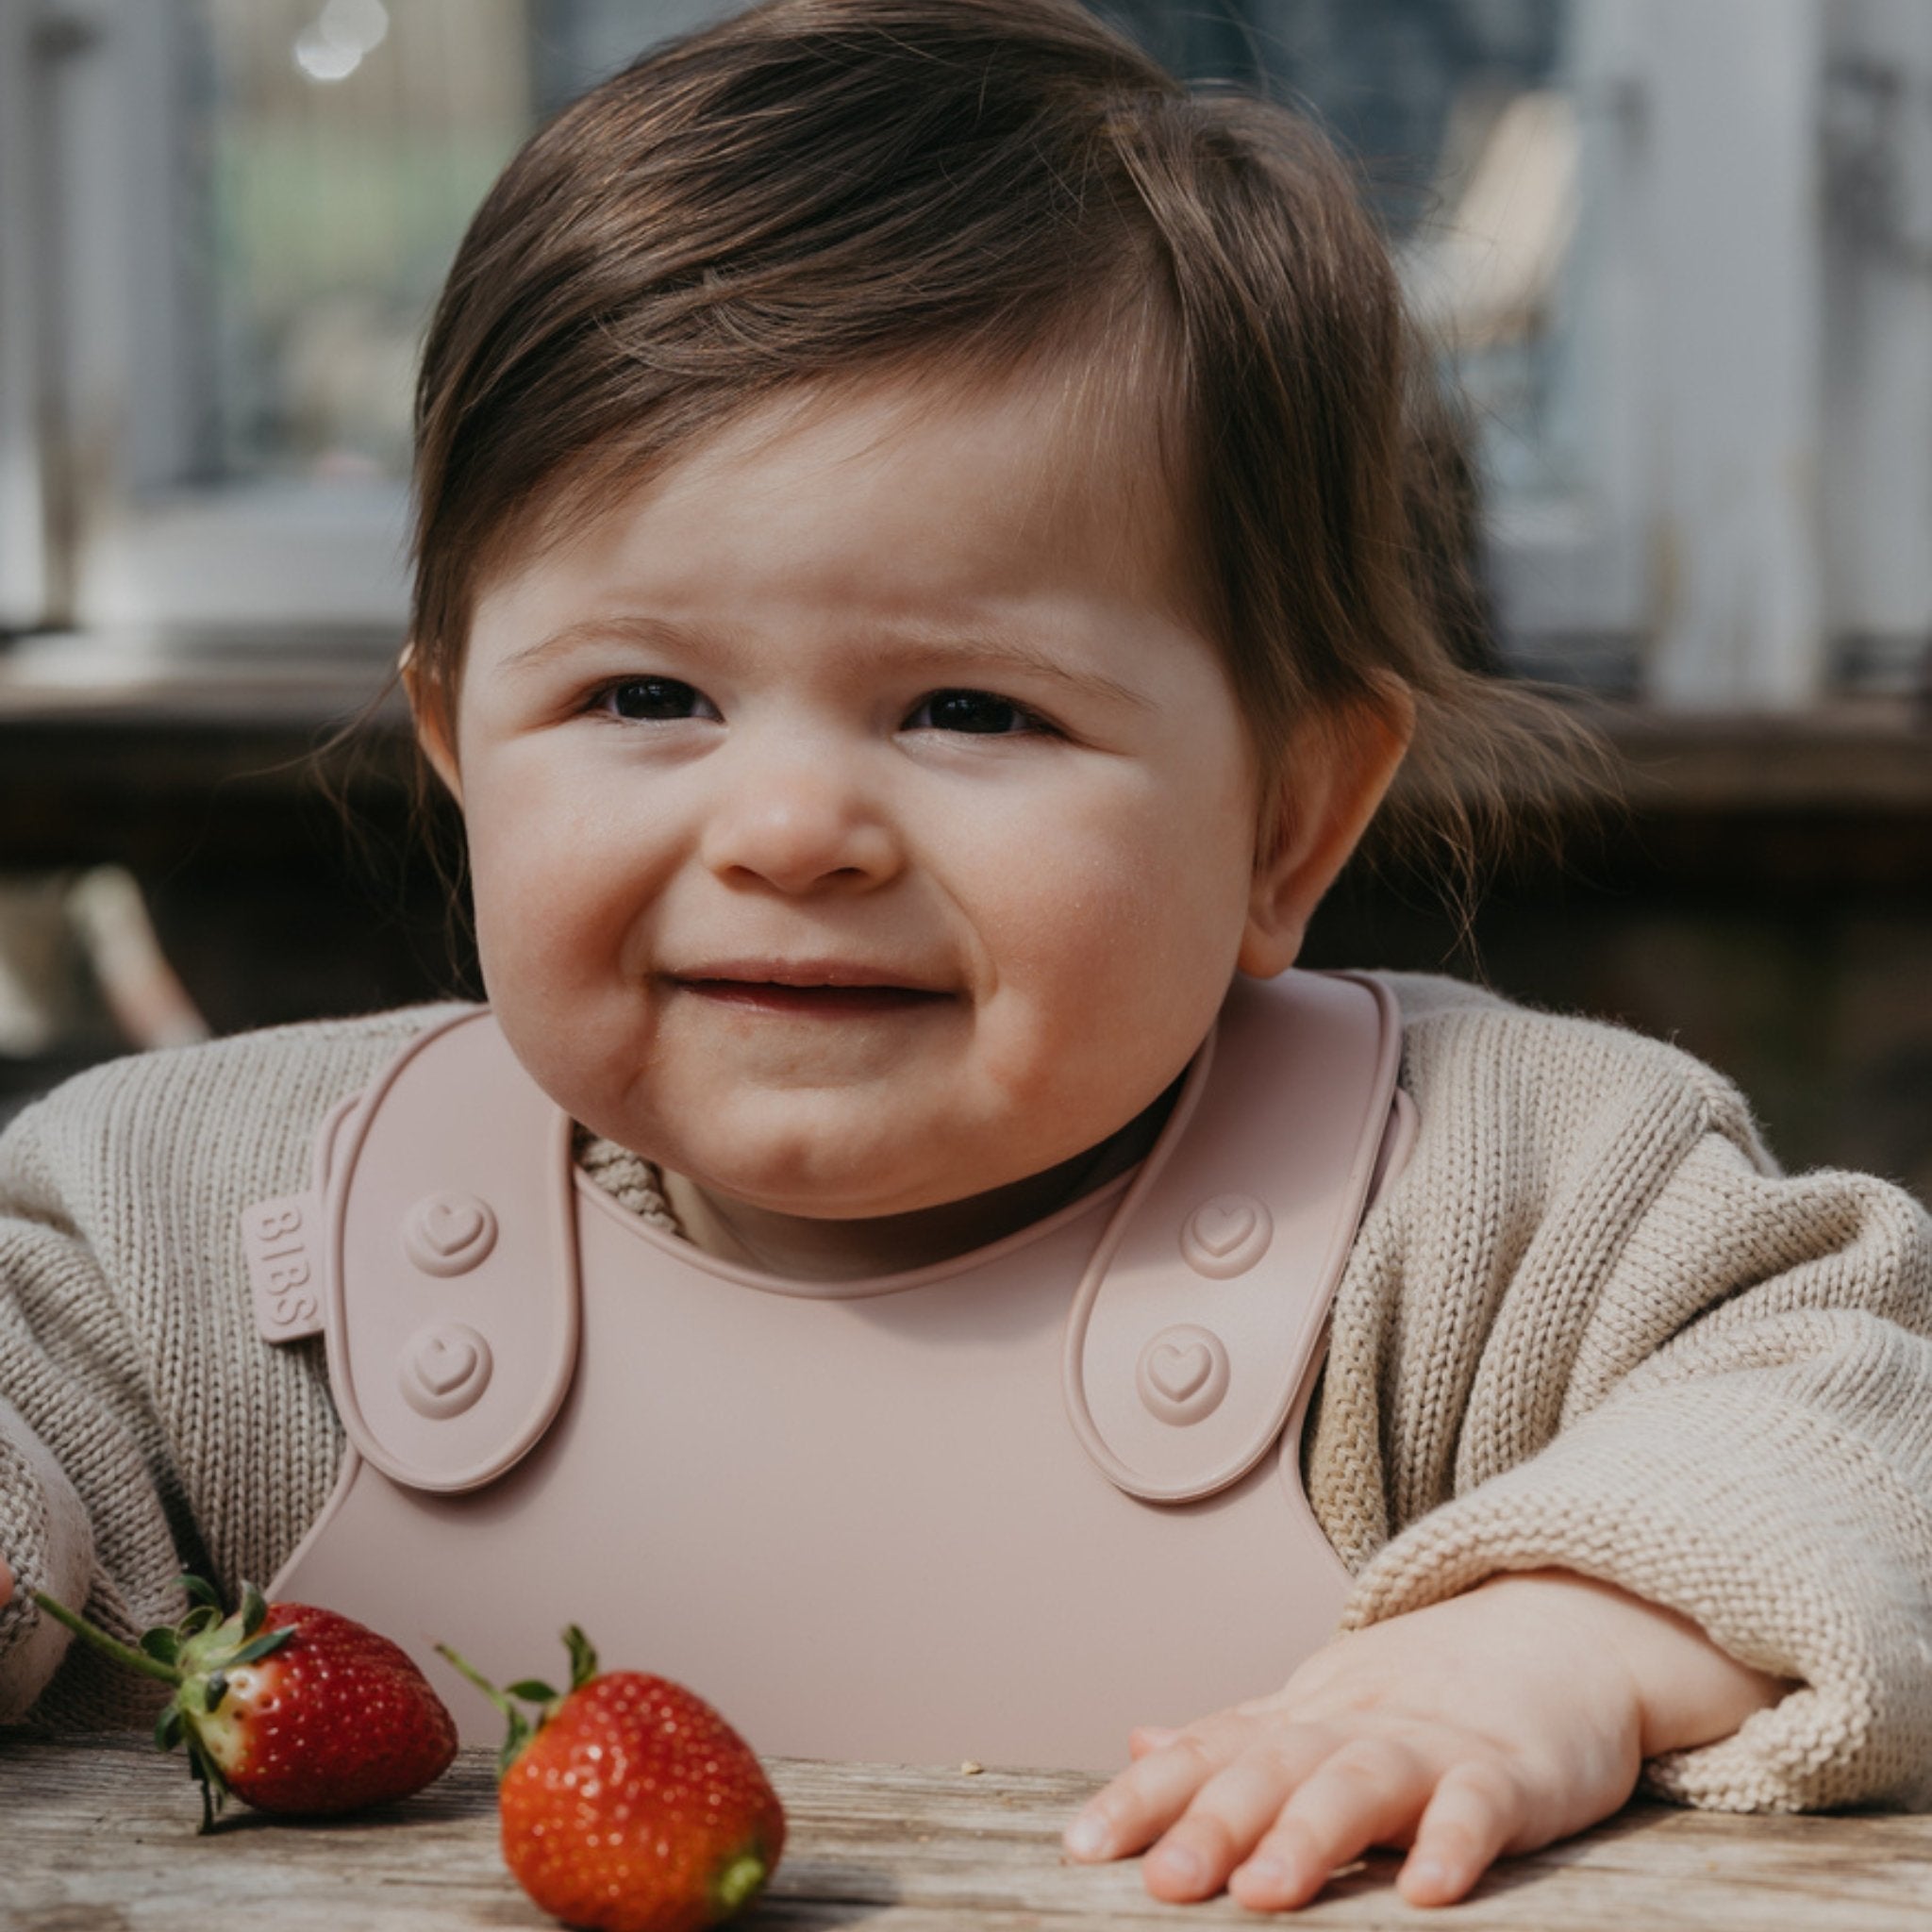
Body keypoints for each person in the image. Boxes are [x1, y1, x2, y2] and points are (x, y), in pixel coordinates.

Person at [3, 0, 1929, 1912]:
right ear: (459, 760)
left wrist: (1545, 1642)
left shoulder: (1500, 1206)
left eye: (970, 711)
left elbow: (1863, 1415)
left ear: (1287, 824)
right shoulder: (204, 1221)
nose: (789, 829)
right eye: (646, 690)